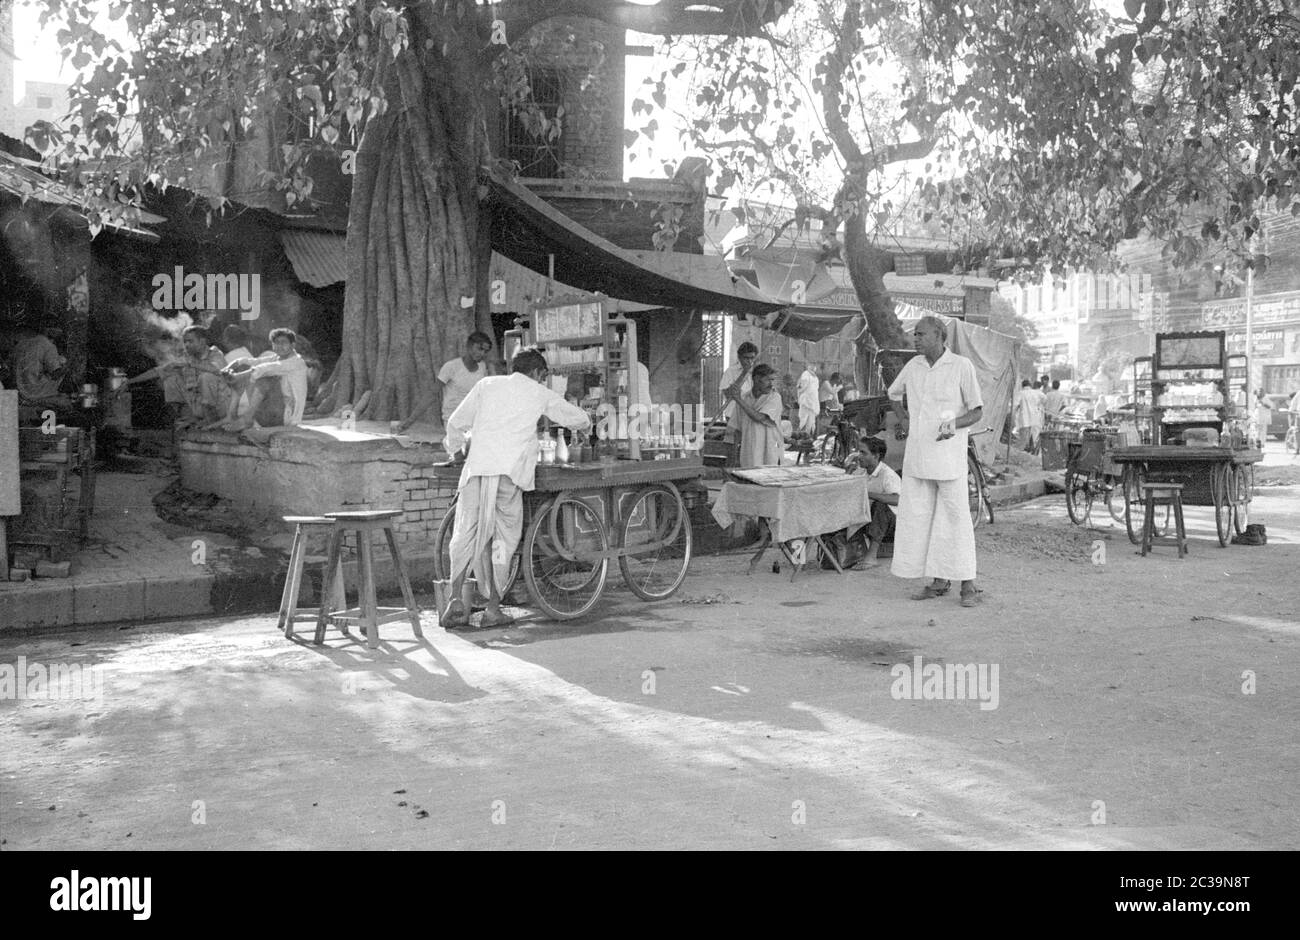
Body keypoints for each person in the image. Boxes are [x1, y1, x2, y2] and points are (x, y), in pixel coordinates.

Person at [441, 346, 591, 630]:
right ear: (537, 372)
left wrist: (457, 451)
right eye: (542, 376)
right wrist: (587, 422)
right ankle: (493, 609)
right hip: (508, 477)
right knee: (502, 540)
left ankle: (454, 599)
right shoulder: (538, 392)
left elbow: (455, 422)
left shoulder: (487, 384)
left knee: (464, 535)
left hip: (476, 472)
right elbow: (577, 418)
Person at [888, 315, 984, 607]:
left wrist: (952, 425)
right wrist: (905, 419)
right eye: (915, 334)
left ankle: (968, 585)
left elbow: (977, 411)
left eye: (921, 334)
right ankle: (938, 581)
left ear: (940, 336)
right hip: (918, 457)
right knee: (922, 519)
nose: (915, 339)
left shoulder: (960, 366)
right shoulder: (913, 366)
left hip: (949, 460)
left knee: (957, 521)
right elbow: (893, 394)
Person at [122, 324, 228, 427]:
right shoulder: (189, 358)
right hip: (200, 407)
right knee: (171, 378)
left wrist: (189, 364)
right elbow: (157, 371)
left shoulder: (215, 353)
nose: (186, 345)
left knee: (206, 377)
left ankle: (209, 421)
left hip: (222, 408)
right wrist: (129, 382)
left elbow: (216, 369)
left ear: (202, 341)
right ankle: (188, 417)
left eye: (190, 341)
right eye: (185, 342)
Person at [213, 328, 309, 430]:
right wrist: (228, 369)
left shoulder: (296, 362)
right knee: (246, 368)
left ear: (293, 345)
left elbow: (264, 368)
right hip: (271, 412)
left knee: (264, 379)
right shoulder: (276, 357)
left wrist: (237, 377)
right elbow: (247, 361)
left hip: (287, 416)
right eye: (276, 343)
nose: (279, 346)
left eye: (284, 343)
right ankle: (231, 415)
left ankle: (247, 419)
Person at [397, 331, 493, 433]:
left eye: (485, 351)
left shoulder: (483, 368)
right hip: (453, 421)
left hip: (475, 421)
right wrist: (410, 421)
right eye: (480, 349)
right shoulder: (451, 367)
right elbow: (432, 394)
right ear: (469, 346)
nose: (482, 354)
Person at [844, 435, 901, 569]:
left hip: (893, 525)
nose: (859, 456)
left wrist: (868, 495)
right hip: (871, 521)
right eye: (858, 451)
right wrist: (847, 476)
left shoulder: (888, 474)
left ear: (876, 456)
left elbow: (897, 499)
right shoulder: (860, 471)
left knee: (881, 505)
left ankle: (871, 557)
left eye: (863, 452)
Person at [727, 362, 784, 468]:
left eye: (772, 380)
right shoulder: (744, 398)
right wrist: (733, 459)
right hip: (748, 452)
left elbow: (759, 417)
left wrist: (738, 399)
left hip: (769, 452)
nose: (771, 384)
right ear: (757, 379)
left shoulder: (775, 397)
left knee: (768, 481)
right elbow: (737, 429)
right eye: (768, 380)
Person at [9, 326, 70, 409]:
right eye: (58, 328)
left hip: (19, 394)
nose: (61, 331)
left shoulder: (20, 344)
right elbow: (56, 374)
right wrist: (67, 366)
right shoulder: (48, 346)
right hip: (35, 394)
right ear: (49, 329)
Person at [718, 341, 758, 440]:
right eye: (746, 358)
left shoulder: (757, 373)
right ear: (739, 357)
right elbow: (728, 395)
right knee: (734, 444)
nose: (749, 361)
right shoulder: (730, 372)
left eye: (752, 358)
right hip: (733, 414)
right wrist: (744, 373)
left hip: (751, 415)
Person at [1014, 378, 1045, 452]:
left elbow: (1015, 405)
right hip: (1035, 418)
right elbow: (1044, 398)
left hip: (1025, 419)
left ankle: (1019, 453)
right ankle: (1032, 452)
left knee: (1023, 439)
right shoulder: (1036, 392)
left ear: (1022, 386)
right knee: (1034, 437)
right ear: (1030, 385)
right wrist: (1039, 405)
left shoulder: (1021, 393)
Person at [796, 363, 820, 435]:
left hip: (807, 400)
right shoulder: (815, 377)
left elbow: (801, 387)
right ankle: (808, 437)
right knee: (810, 421)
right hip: (812, 401)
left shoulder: (806, 375)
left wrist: (798, 390)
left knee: (805, 419)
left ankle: (803, 437)